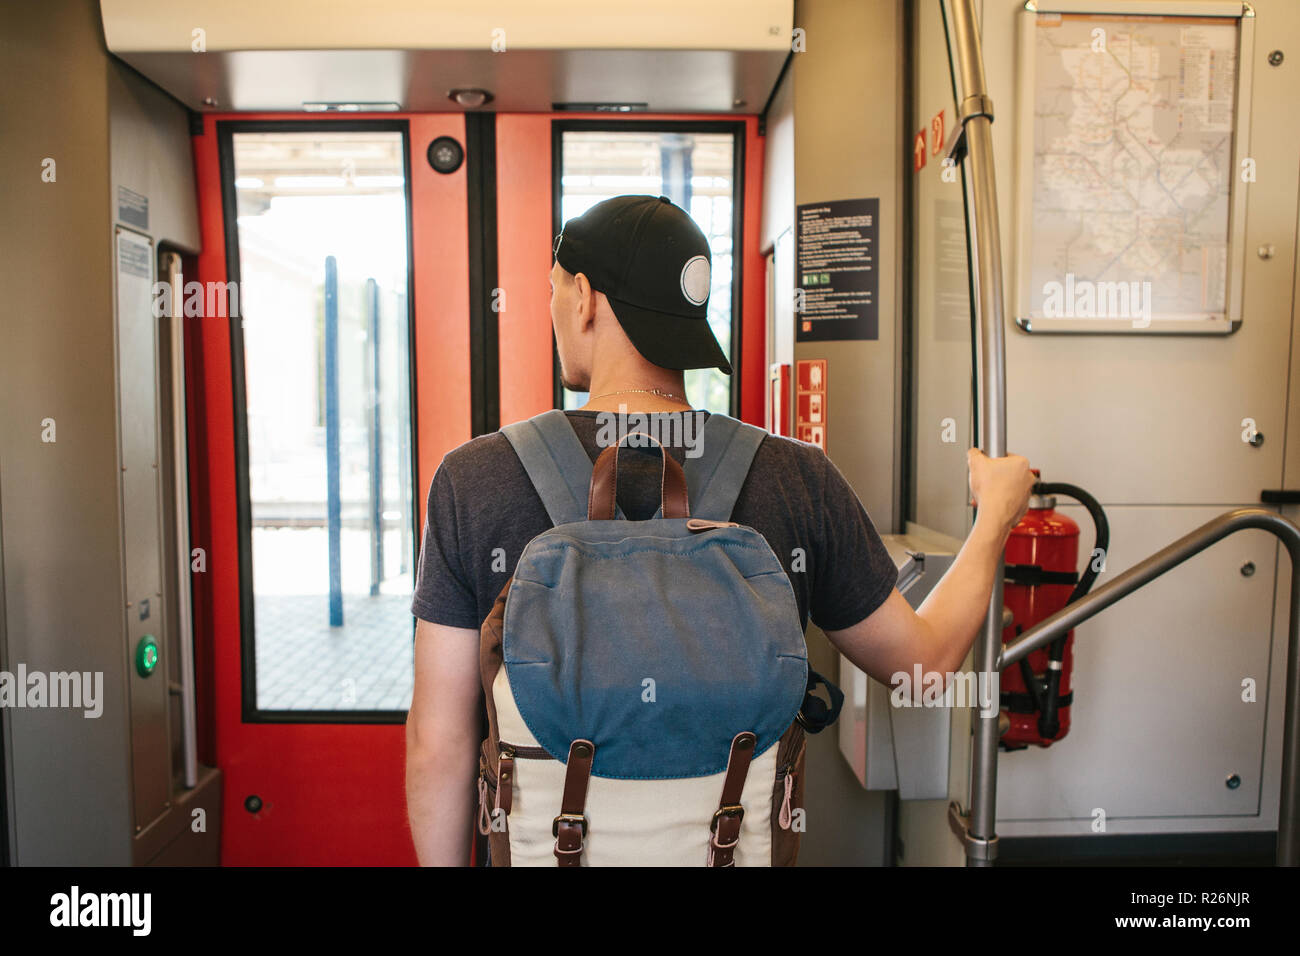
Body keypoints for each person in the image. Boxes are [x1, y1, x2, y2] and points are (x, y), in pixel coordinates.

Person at [405, 195, 1034, 866]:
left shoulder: (475, 479)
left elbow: (438, 742)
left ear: (585, 297)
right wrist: (995, 516)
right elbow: (924, 668)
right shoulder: (797, 477)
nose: (554, 308)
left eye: (555, 290)